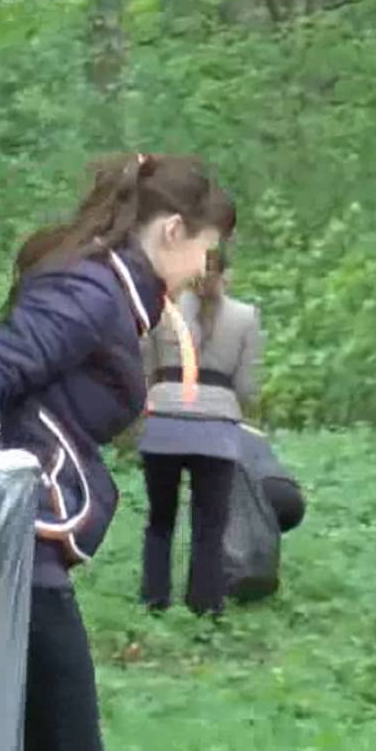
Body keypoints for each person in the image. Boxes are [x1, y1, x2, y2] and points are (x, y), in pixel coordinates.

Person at [0, 153, 234, 751]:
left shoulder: (112, 294)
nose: (205, 269)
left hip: (25, 546)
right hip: (17, 546)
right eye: (206, 249)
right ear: (171, 230)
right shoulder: (92, 291)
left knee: (35, 747)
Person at [136, 248, 272, 615]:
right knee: (210, 524)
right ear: (227, 275)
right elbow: (246, 385)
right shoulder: (246, 317)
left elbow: (144, 368)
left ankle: (154, 599)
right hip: (217, 431)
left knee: (160, 520)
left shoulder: (161, 312)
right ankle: (205, 605)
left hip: (163, 423)